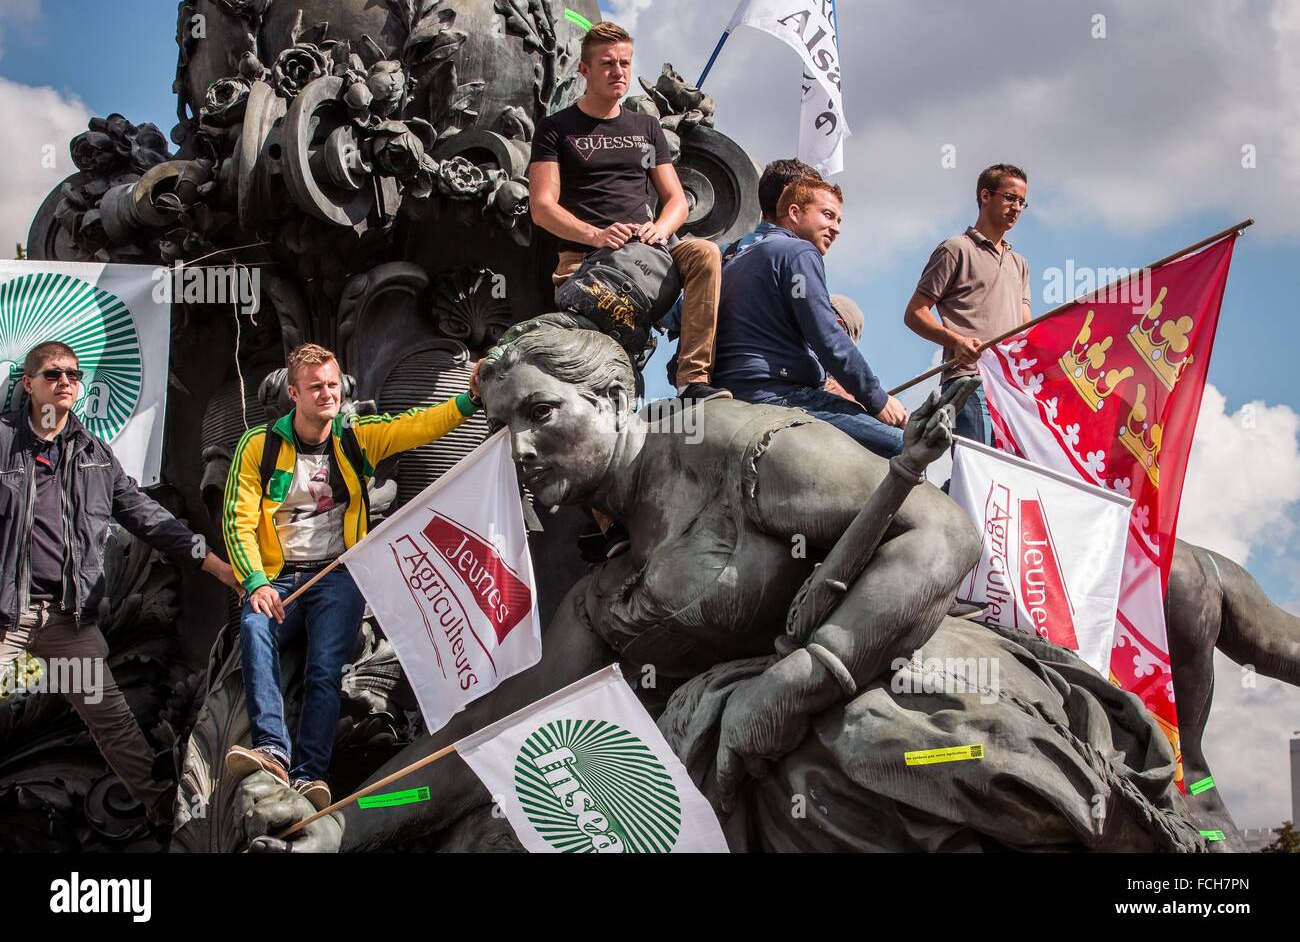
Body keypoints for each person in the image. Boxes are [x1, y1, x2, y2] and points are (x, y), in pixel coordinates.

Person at [324, 317, 1201, 854]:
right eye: (497, 424)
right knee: (504, 835)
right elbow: (491, 728)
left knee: (871, 745)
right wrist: (346, 826)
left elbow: (941, 530)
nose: (515, 446)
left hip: (897, 668)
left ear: (618, 397)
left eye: (540, 413)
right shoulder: (607, 589)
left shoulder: (746, 447)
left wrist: (807, 675)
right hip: (749, 752)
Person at [221, 343, 481, 809]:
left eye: (332, 384)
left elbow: (415, 426)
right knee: (253, 627)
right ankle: (272, 750)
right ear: (295, 394)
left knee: (325, 668)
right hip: (279, 579)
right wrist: (255, 581)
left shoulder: (354, 436)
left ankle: (308, 775)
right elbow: (237, 519)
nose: (327, 394)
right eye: (316, 387)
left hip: (337, 575)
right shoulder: (259, 445)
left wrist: (468, 400)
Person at [0, 341, 239, 829]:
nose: (65, 382)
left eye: (72, 374)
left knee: (112, 722)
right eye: (52, 374)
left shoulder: (92, 455)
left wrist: (215, 565)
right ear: (29, 384)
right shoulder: (3, 442)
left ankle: (167, 816)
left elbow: (151, 519)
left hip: (67, 621)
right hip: (7, 616)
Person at [528, 21, 729, 403]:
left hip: (648, 253)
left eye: (625, 63)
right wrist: (597, 235)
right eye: (607, 63)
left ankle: (691, 381)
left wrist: (660, 227)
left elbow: (676, 200)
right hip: (587, 261)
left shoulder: (645, 129)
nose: (618, 72)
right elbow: (541, 207)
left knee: (705, 252)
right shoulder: (556, 129)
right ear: (584, 70)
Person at [711, 177, 909, 458]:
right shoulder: (798, 252)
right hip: (780, 395)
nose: (836, 228)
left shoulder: (733, 258)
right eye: (827, 215)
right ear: (794, 213)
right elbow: (827, 337)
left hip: (729, 393)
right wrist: (878, 400)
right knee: (905, 447)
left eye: (839, 220)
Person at [903, 163, 1032, 446]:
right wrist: (957, 341)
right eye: (1010, 197)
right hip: (969, 381)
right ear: (986, 196)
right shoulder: (956, 249)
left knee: (1007, 473)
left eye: (1022, 201)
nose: (1017, 207)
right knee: (977, 466)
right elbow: (914, 313)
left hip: (1011, 387)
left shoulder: (1019, 264)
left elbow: (1025, 330)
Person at [661, 157, 820, 383]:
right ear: (791, 204)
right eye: (816, 205)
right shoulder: (791, 257)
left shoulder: (726, 253)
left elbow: (675, 315)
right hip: (771, 384)